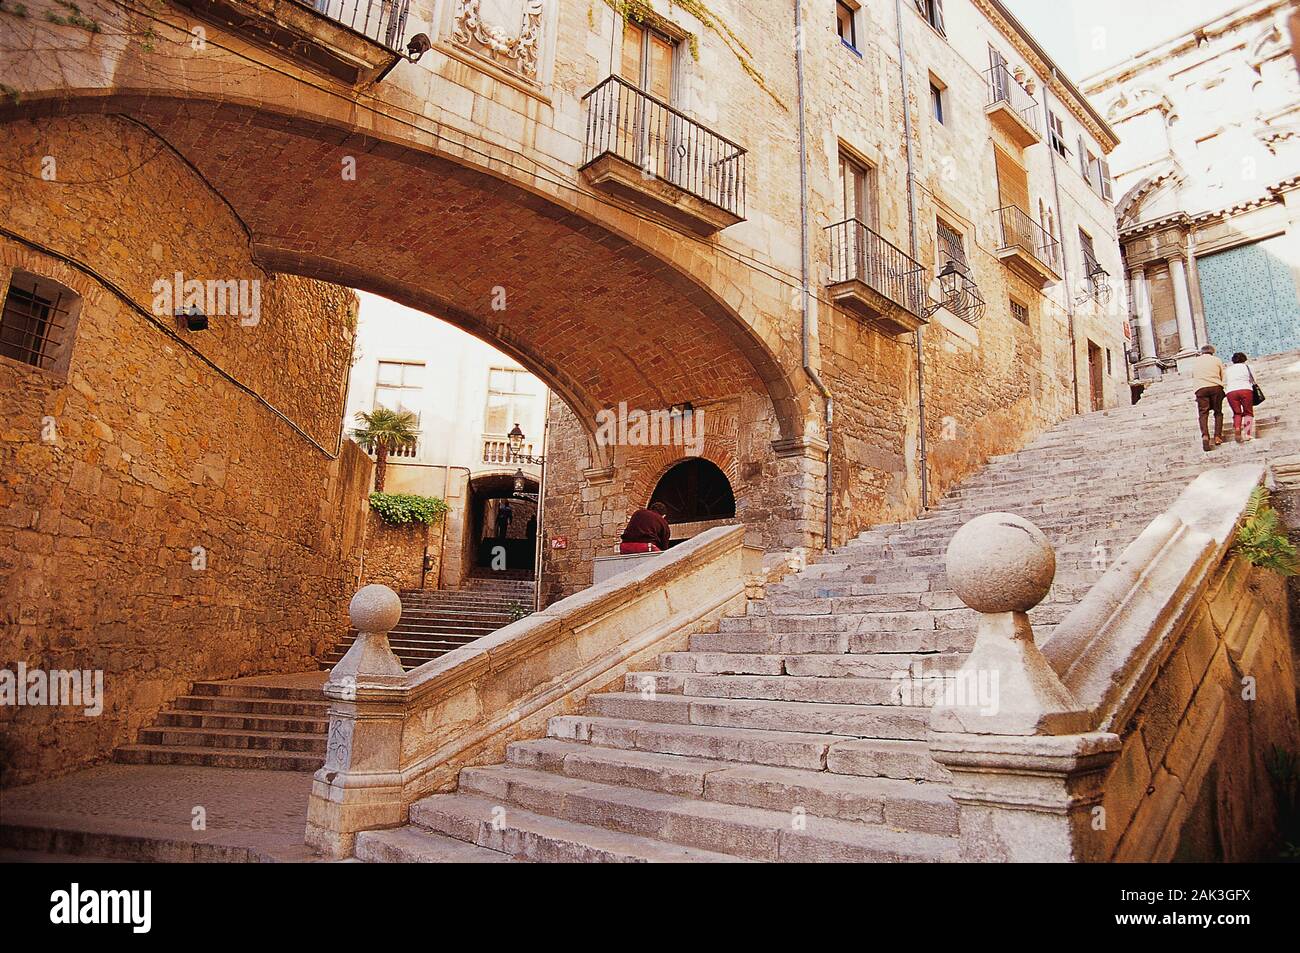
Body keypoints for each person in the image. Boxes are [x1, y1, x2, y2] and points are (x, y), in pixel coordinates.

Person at [1188, 344, 1226, 452]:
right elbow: (1222, 375)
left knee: (1203, 414)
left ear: (1201, 352)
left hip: (1201, 388)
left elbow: (1194, 375)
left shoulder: (1195, 361)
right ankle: (1218, 436)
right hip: (1215, 387)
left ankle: (1205, 436)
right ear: (1212, 352)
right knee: (1218, 412)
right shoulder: (1217, 360)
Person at [1224, 351, 1258, 442]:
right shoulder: (1248, 367)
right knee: (1248, 412)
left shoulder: (1228, 369)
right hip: (1245, 390)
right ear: (1244, 359)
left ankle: (1237, 428)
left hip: (1231, 392)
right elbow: (1253, 380)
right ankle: (1247, 434)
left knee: (1237, 413)